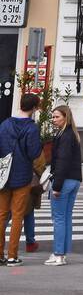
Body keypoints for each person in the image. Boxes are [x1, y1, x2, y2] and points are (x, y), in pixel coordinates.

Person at [0, 91, 44, 266]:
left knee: (2, 215)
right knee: (17, 215)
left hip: (4, 176)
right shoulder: (32, 128)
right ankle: (12, 255)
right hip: (22, 176)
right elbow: (34, 153)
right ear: (34, 108)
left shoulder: (5, 124)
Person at [45, 104, 82, 267]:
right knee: (66, 217)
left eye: (56, 117)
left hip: (64, 180)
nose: (53, 120)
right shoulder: (72, 134)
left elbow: (62, 161)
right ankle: (62, 253)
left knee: (59, 218)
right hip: (74, 180)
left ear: (65, 117)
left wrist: (57, 186)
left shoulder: (64, 136)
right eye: (53, 117)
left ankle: (58, 254)